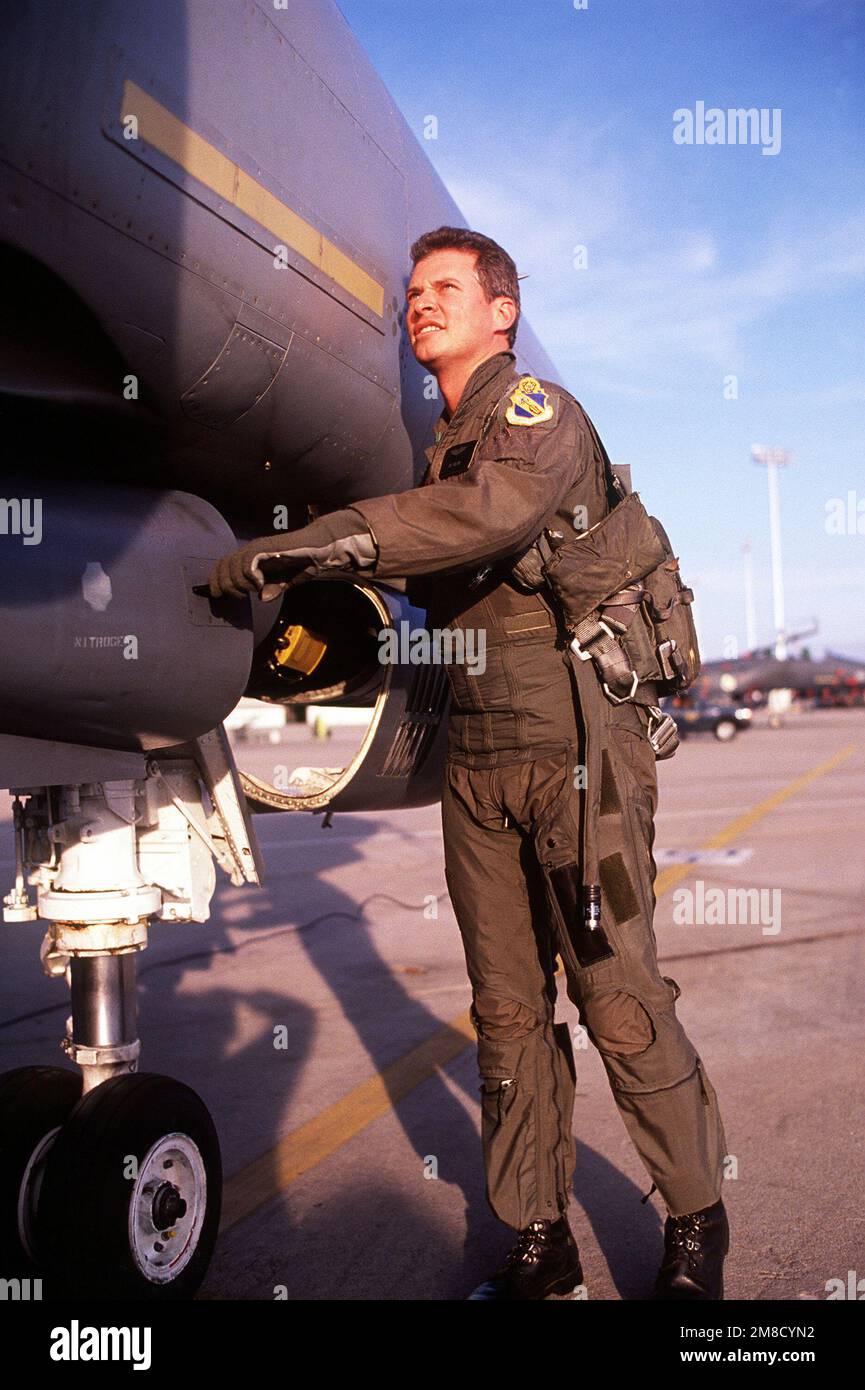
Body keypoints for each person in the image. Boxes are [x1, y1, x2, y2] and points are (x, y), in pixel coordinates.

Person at [208, 226, 730, 1301]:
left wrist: (308, 542)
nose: (419, 304)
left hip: (577, 760)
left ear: (501, 310)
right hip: (479, 765)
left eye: (444, 286)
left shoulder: (533, 416)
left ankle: (692, 1223)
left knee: (616, 996)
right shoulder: (439, 449)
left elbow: (482, 517)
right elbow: (435, 597)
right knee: (503, 1012)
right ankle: (537, 1237)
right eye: (410, 292)